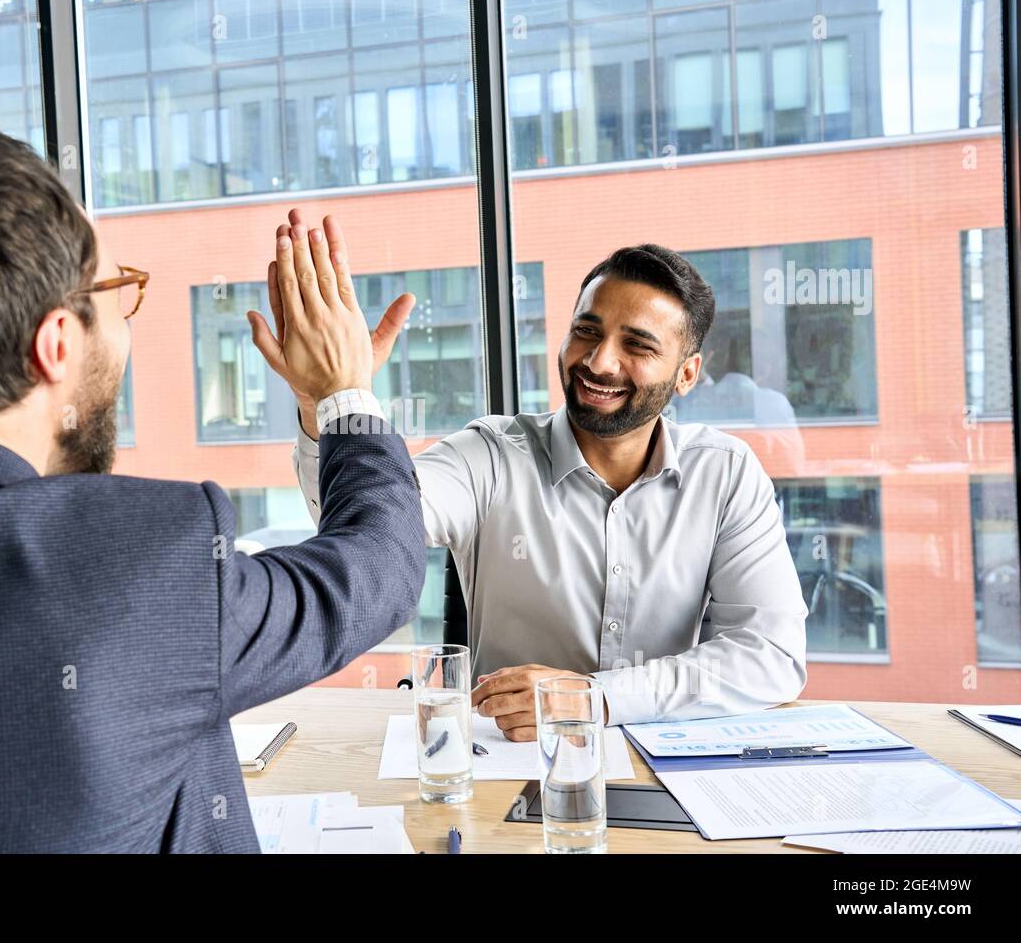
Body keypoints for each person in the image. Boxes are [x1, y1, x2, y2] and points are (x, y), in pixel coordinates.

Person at [0, 129, 425, 852]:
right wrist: (342, 392)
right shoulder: (149, 565)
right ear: (55, 343)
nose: (123, 323)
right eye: (114, 290)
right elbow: (378, 568)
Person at [277, 230, 807, 739]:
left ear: (686, 375)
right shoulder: (490, 454)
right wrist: (324, 403)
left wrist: (593, 700)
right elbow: (363, 523)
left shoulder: (726, 474)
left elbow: (771, 656)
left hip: (664, 775)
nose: (599, 361)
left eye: (637, 346)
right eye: (587, 331)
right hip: (505, 773)